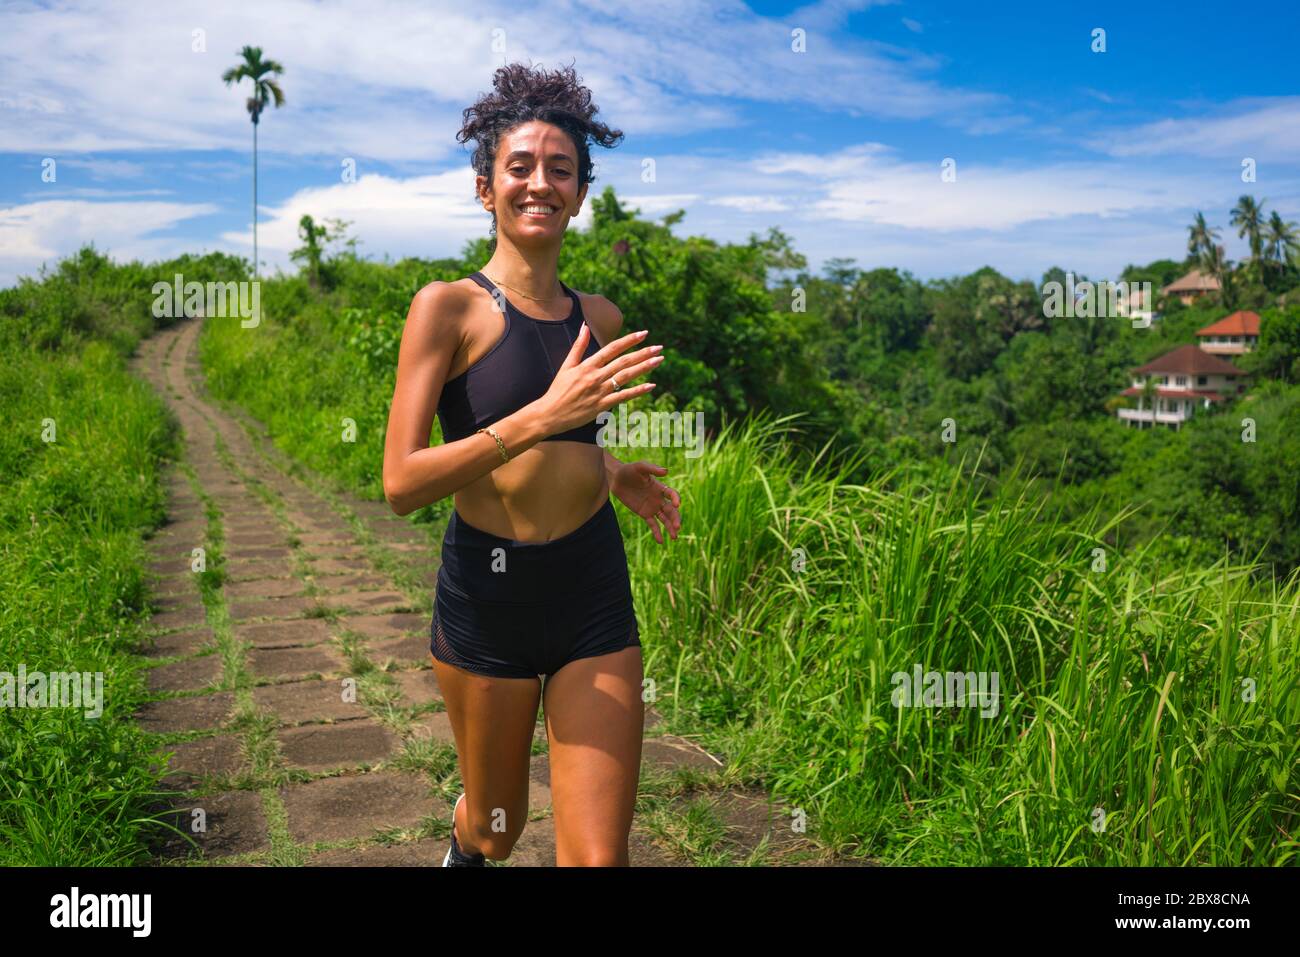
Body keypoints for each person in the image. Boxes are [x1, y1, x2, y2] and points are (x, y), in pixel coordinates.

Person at [382, 60, 682, 867]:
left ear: (581, 193)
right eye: (520, 167)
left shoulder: (601, 317)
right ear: (487, 188)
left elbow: (574, 439)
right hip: (488, 598)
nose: (539, 182)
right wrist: (539, 417)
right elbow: (402, 482)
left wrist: (611, 471)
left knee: (597, 858)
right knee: (498, 830)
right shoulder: (446, 309)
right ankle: (465, 837)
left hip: (590, 590)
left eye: (561, 169)